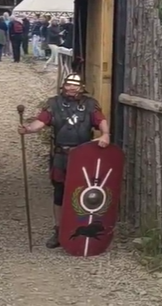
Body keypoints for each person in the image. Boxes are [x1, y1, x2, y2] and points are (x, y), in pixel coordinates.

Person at [18, 72, 111, 249]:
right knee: (59, 193)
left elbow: (101, 120)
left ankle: (81, 227)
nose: (71, 88)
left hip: (84, 156)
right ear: (63, 86)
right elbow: (40, 122)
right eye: (68, 85)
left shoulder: (90, 105)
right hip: (61, 155)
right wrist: (28, 129)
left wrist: (105, 134)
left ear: (81, 87)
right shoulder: (54, 104)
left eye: (75, 85)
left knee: (85, 193)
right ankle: (59, 230)